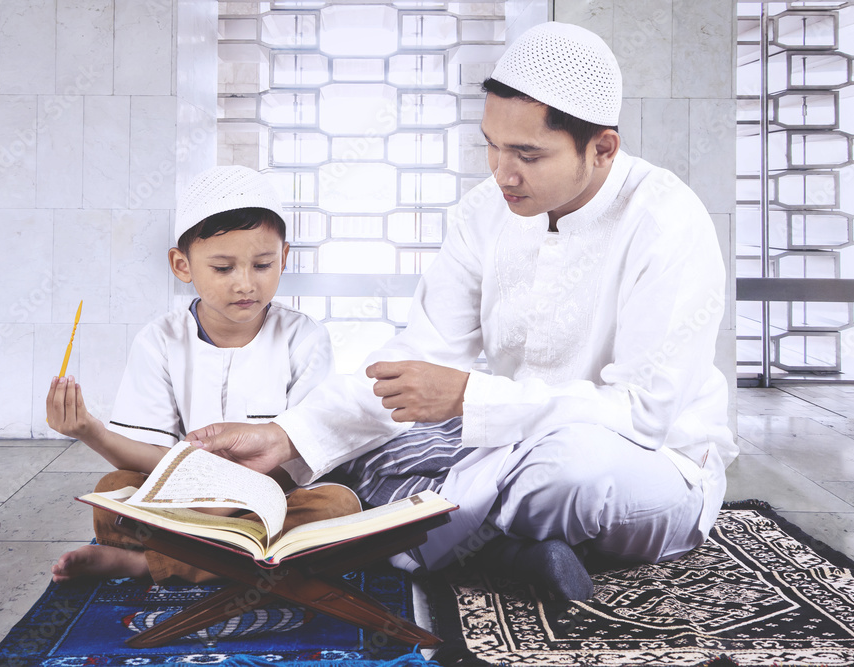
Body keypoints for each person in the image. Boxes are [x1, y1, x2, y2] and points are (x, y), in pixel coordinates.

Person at [189, 22, 738, 600]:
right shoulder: (485, 211)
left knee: (569, 471)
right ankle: (508, 550)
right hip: (501, 438)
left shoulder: (668, 221)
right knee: (360, 443)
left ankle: (427, 533)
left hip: (648, 462)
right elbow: (416, 357)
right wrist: (288, 436)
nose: (502, 174)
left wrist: (471, 398)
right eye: (492, 146)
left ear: (602, 148)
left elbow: (643, 415)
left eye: (527, 154)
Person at [46, 166, 360, 583]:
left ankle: (148, 564)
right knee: (112, 491)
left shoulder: (304, 337)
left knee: (338, 506)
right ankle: (227, 560)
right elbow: (150, 454)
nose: (245, 284)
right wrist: (90, 431)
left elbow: (301, 453)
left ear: (283, 258)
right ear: (182, 264)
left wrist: (229, 503)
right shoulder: (159, 340)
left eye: (263, 264)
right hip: (184, 500)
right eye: (223, 268)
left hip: (271, 501)